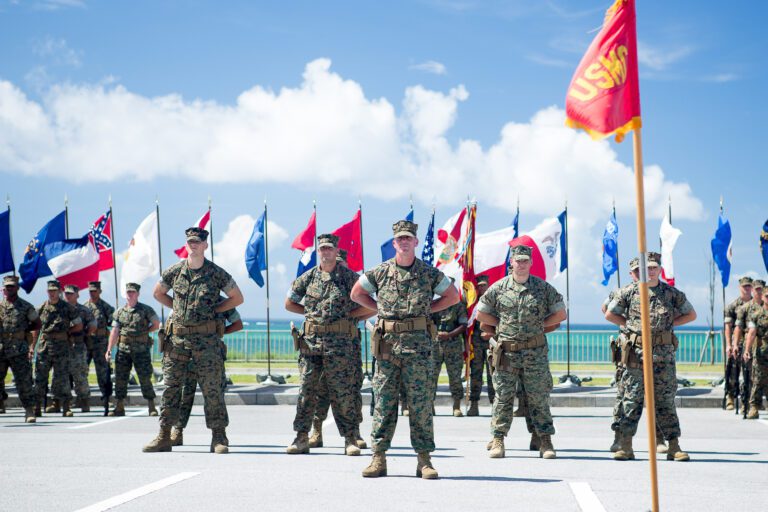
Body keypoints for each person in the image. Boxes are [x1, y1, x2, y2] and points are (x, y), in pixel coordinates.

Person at [351, 220, 459, 479]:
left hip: (419, 349)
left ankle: (424, 460)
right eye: (400, 238)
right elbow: (356, 294)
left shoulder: (428, 273)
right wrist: (381, 310)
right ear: (394, 243)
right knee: (384, 404)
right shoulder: (379, 272)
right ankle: (378, 458)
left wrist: (425, 311)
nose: (404, 242)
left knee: (420, 405)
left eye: (408, 238)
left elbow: (453, 296)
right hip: (387, 347)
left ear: (416, 242)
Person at [144, 227, 243, 454]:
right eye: (190, 242)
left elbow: (238, 297)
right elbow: (158, 293)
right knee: (170, 389)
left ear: (205, 245)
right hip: (177, 341)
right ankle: (164, 436)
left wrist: (214, 309)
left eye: (197, 242)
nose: (193, 245)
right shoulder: (175, 271)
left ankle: (219, 437)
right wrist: (177, 309)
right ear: (186, 244)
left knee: (212, 390)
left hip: (206, 342)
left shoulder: (216, 273)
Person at [285, 234, 374, 456]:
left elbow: (372, 306)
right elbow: (289, 303)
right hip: (311, 346)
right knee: (306, 391)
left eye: (329, 249)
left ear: (336, 252)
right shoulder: (308, 278)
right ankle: (301, 437)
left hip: (340, 347)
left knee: (343, 393)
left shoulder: (349, 277)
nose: (325, 252)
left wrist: (351, 316)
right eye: (322, 248)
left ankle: (350, 439)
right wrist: (310, 314)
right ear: (319, 251)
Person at [477, 245, 567, 460]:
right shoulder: (498, 288)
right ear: (512, 262)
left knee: (538, 397)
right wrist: (501, 325)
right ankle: (498, 439)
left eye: (525, 260)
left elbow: (560, 314)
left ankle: (545, 439)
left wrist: (539, 326)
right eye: (518, 260)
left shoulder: (543, 288)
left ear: (531, 263)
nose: (521, 264)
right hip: (507, 352)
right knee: (503, 397)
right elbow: (482, 314)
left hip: (534, 352)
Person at [605, 252, 697, 462]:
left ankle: (674, 445)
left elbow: (691, 315)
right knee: (632, 399)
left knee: (665, 401)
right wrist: (630, 327)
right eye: (647, 268)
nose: (651, 271)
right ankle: (626, 446)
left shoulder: (671, 293)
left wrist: (669, 327)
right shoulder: (629, 292)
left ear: (659, 269)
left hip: (663, 356)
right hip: (636, 355)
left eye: (654, 267)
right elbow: (609, 314)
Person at [307, 249, 369, 450]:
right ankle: (316, 430)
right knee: (319, 390)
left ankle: (355, 432)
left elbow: (367, 307)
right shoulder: (323, 286)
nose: (339, 268)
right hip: (322, 346)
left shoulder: (350, 286)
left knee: (351, 390)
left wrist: (350, 318)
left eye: (342, 264)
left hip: (348, 347)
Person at [171, 303, 243, 446]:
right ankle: (177, 431)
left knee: (214, 395)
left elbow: (238, 324)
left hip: (211, 356)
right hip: (187, 354)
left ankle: (218, 436)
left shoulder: (223, 303)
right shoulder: (185, 300)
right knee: (184, 394)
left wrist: (218, 333)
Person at [105, 283, 160, 417]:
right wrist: (109, 349)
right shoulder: (119, 312)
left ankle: (151, 406)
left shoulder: (146, 310)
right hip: (123, 350)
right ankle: (119, 406)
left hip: (141, 350)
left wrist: (145, 331)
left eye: (133, 292)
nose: (130, 294)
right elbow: (115, 331)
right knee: (120, 378)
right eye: (128, 292)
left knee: (145, 378)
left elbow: (157, 324)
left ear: (137, 294)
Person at [32, 280, 82, 417]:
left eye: (54, 290)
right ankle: (37, 407)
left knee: (63, 378)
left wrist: (67, 332)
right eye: (50, 291)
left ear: (59, 291)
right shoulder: (40, 308)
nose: (52, 293)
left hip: (61, 346)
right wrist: (32, 346)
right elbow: (35, 328)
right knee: (40, 377)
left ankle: (66, 406)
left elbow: (79, 325)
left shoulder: (68, 308)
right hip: (45, 346)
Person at [0, 275, 41, 422]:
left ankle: (29, 410)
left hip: (19, 350)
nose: (9, 289)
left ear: (17, 288)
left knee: (24, 381)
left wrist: (24, 331)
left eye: (12, 286)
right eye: (7, 287)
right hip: (2, 350)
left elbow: (37, 323)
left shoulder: (26, 306)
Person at [64, 285, 97, 412]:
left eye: (71, 293)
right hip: (62, 346)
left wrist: (85, 334)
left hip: (78, 346)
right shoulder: (60, 308)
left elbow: (93, 325)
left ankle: (84, 401)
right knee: (61, 375)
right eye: (66, 293)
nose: (68, 296)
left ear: (77, 295)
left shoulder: (84, 310)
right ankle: (61, 402)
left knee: (80, 374)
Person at [85, 281, 115, 416]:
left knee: (103, 373)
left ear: (100, 291)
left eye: (95, 291)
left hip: (101, 343)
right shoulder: (83, 307)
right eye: (90, 291)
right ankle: (83, 399)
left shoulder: (106, 308)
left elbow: (114, 325)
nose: (92, 293)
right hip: (86, 343)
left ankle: (106, 399)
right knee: (81, 371)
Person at [723, 276, 753, 410]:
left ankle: (746, 402)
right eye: (744, 286)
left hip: (752, 344)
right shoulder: (733, 306)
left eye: (748, 286)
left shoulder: (756, 305)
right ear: (739, 287)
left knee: (750, 375)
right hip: (737, 344)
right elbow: (728, 326)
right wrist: (729, 344)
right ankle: (730, 397)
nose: (747, 289)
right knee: (733, 371)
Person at [467, 275, 495, 416]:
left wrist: (492, 333)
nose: (482, 288)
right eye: (479, 286)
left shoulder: (494, 303)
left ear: (489, 285)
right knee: (476, 374)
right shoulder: (472, 303)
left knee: (493, 374)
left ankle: (494, 405)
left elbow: (501, 321)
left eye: (484, 285)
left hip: (491, 343)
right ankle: (474, 403)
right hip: (476, 344)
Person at [739, 279, 765, 419]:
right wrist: (740, 347)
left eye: (762, 290)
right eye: (757, 289)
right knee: (752, 379)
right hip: (756, 350)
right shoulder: (749, 310)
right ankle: (749, 404)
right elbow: (743, 330)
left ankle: (757, 404)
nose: (760, 293)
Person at [744, 287, 768, 419]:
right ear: (763, 297)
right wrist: (747, 350)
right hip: (761, 353)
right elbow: (751, 333)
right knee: (758, 380)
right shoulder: (757, 314)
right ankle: (754, 407)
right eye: (767, 296)